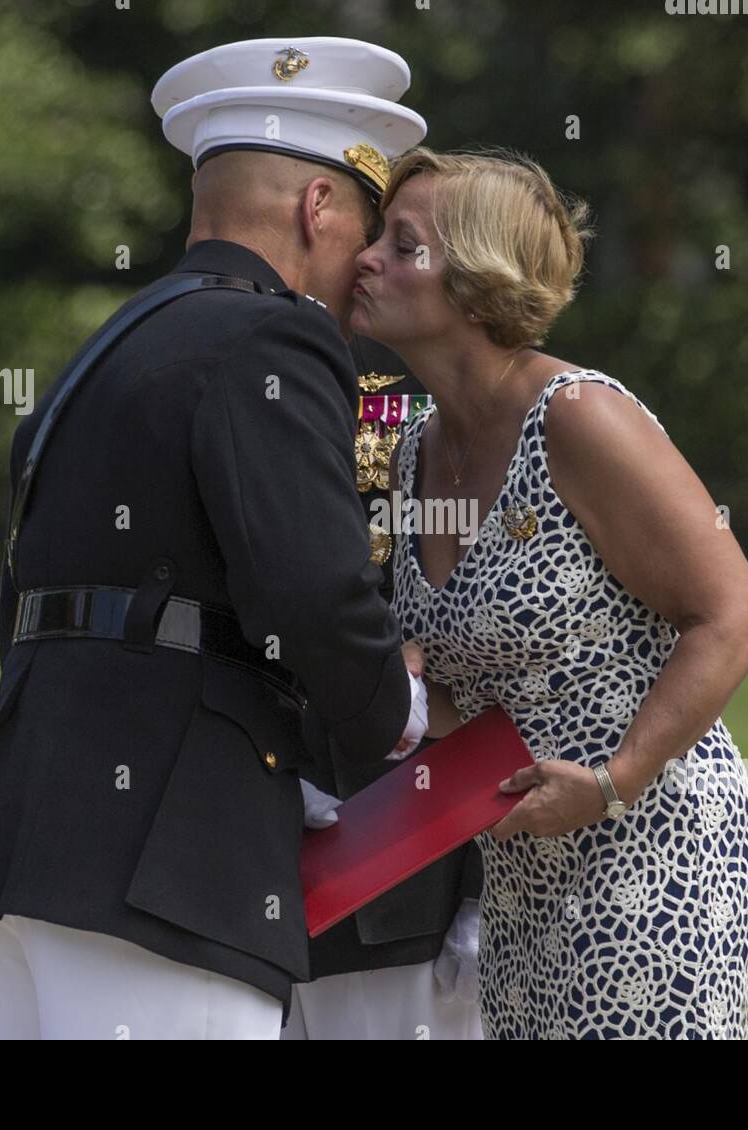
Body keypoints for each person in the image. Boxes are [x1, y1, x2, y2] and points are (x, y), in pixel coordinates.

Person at [0, 36, 428, 1040]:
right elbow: (311, 587)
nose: (365, 263)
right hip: (165, 857)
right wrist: (392, 718)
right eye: (363, 225)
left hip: (36, 833)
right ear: (319, 207)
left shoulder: (108, 347)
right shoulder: (278, 335)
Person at [350, 146, 748, 1039]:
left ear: (475, 283)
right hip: (520, 871)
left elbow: (733, 620)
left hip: (652, 847)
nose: (366, 259)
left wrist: (615, 782)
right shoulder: (412, 447)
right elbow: (461, 677)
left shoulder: (579, 417)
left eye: (403, 245)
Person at [283, 335, 483, 1041]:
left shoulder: (449, 363)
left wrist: (480, 888)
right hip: (244, 848)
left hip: (403, 860)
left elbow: (490, 646)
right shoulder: (238, 336)